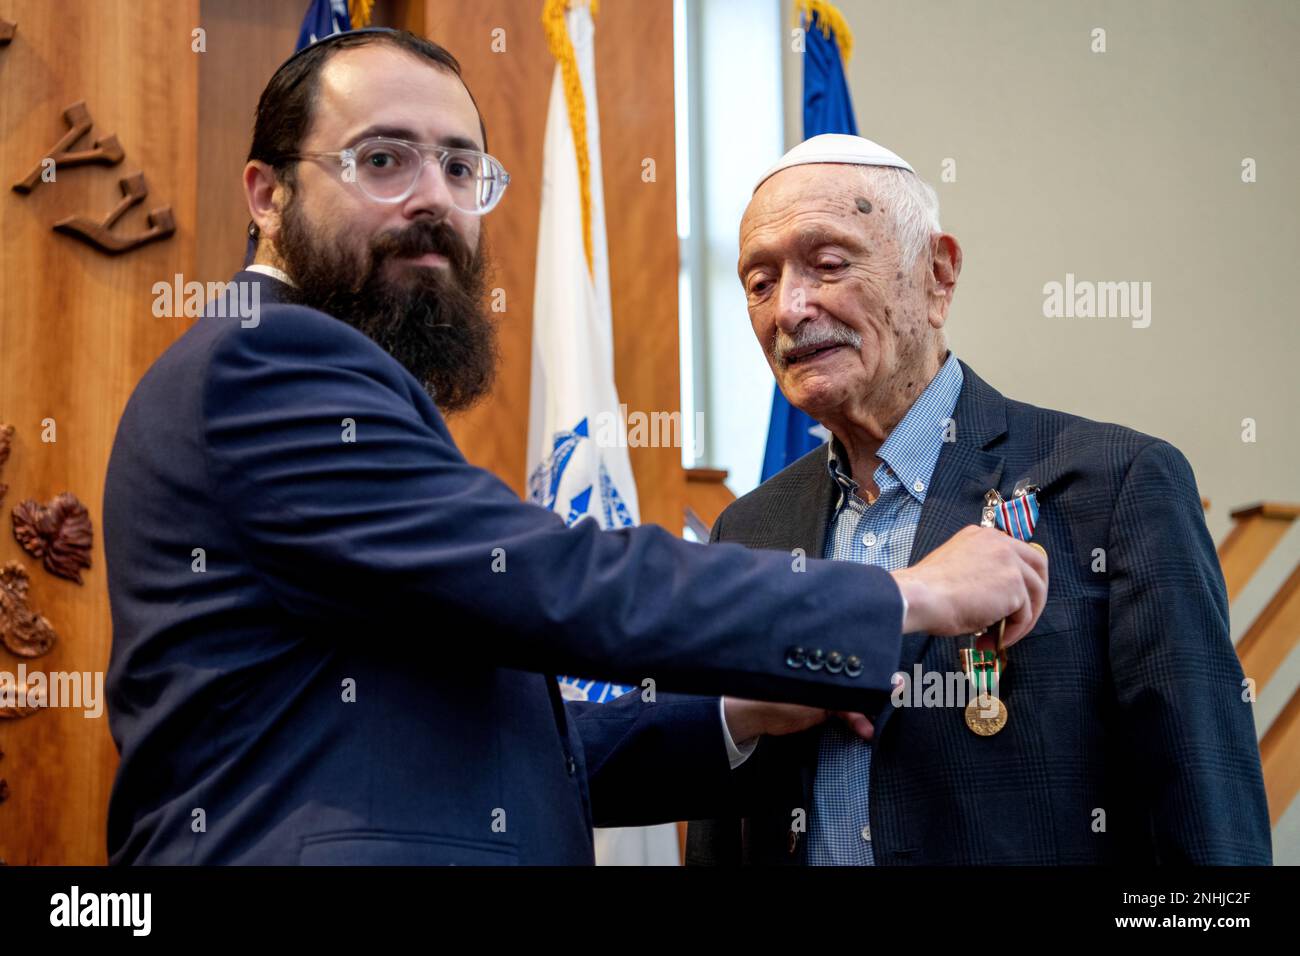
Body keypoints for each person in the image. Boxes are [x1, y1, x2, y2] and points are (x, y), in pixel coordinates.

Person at [102, 32, 1046, 864]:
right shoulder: (268, 361)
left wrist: (740, 713)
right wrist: (906, 596)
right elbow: (559, 577)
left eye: (460, 167)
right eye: (382, 159)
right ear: (267, 195)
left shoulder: (1097, 475)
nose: (433, 199)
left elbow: (491, 751)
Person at [686, 134, 1271, 865]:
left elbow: (1207, 825)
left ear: (938, 275)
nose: (790, 309)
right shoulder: (748, 529)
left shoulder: (1115, 487)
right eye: (759, 282)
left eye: (829, 264)